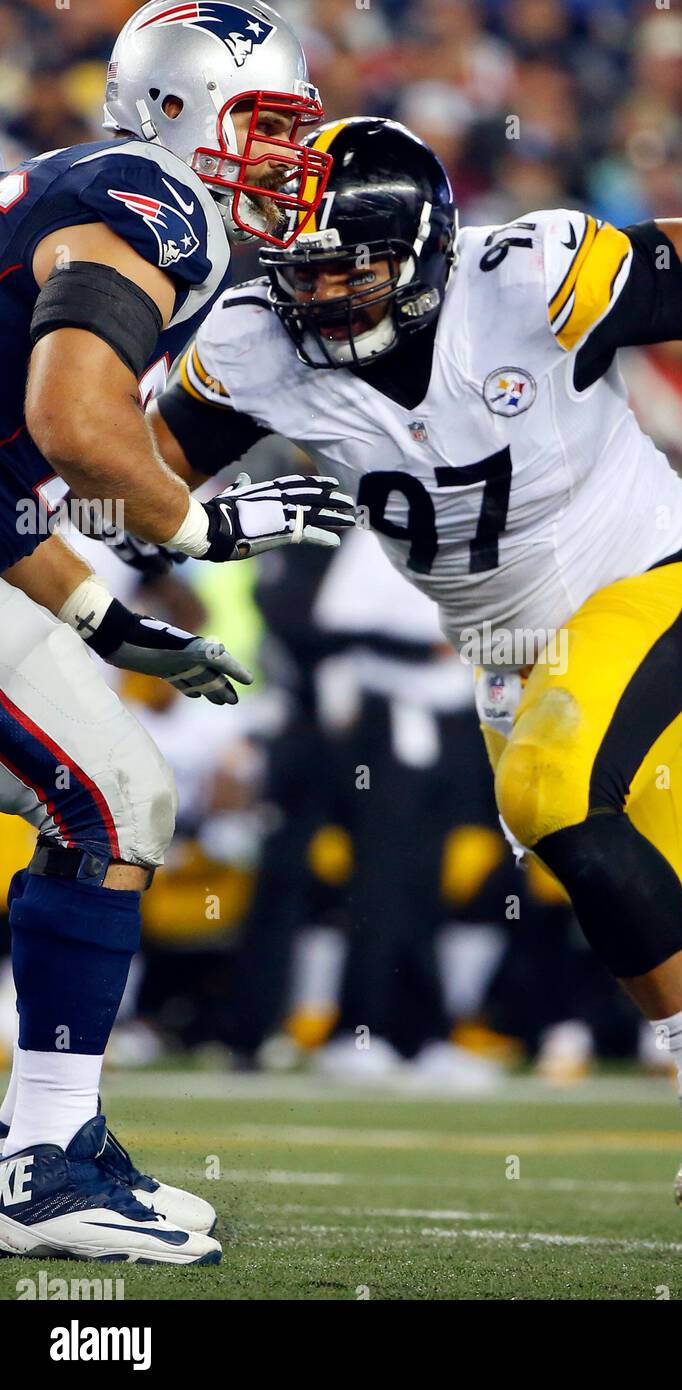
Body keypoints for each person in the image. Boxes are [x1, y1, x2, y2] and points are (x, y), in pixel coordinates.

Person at [149, 116, 682, 1227]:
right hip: (508, 648)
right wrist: (185, 523)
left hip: (648, 584)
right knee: (627, 877)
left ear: (422, 251)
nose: (315, 296)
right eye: (299, 270)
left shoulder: (530, 277)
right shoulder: (256, 343)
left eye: (345, 268)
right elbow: (132, 464)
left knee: (553, 793)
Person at [0, 2, 355, 1266]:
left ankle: (52, 1145)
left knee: (124, 795)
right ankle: (42, 1167)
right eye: (264, 124)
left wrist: (103, 616)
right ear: (172, 108)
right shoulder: (153, 201)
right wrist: (203, 529)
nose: (284, 158)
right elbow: (77, 427)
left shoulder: (89, 190)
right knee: (107, 802)